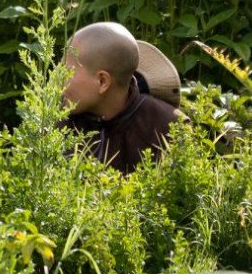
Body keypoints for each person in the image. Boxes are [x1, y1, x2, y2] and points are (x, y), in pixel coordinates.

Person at [58, 21, 182, 173]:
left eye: (67, 72)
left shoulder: (170, 129)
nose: (57, 80)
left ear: (102, 81)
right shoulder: (56, 120)